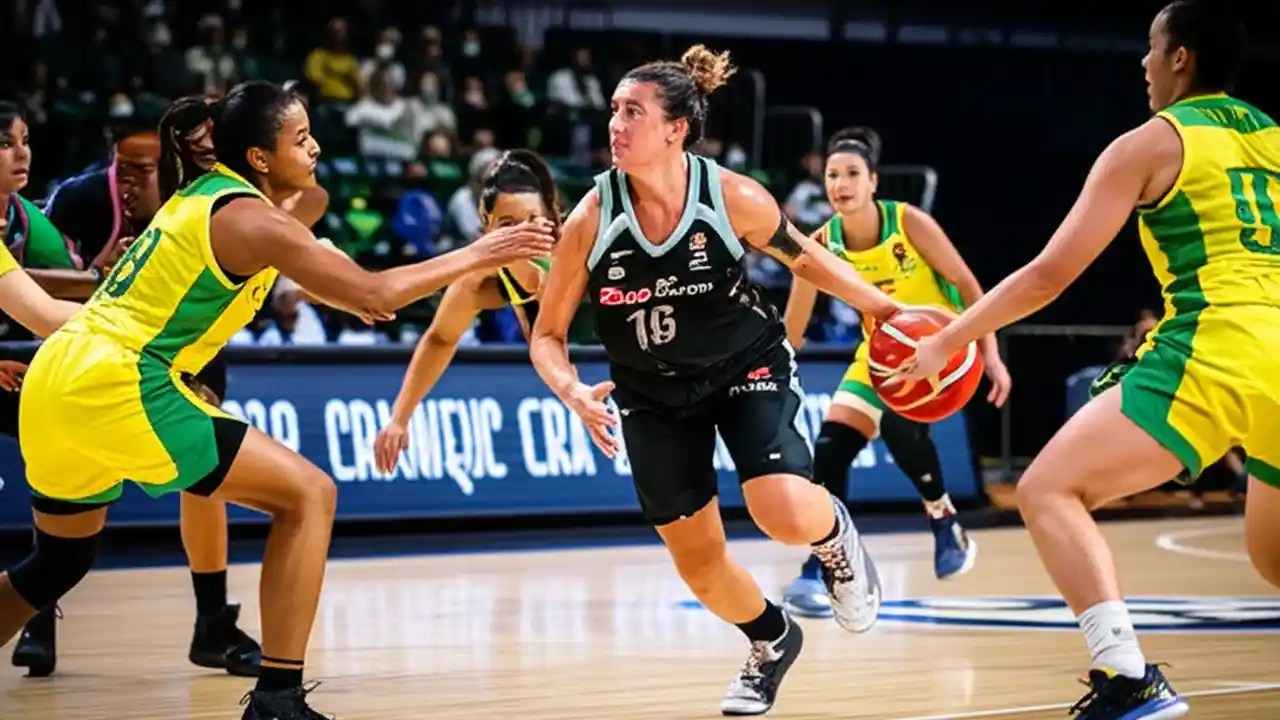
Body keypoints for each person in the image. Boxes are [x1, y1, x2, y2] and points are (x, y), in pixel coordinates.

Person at [0, 79, 555, 719]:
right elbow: (373, 295)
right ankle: (277, 700)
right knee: (309, 496)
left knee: (56, 561)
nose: (316, 145)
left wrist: (358, 285)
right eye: (300, 137)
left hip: (54, 376)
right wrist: (478, 253)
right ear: (259, 158)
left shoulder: (214, 200)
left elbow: (345, 268)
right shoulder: (251, 218)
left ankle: (244, 661)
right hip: (118, 377)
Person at [901, 3, 1273, 717]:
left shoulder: (1150, 143)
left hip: (1220, 343)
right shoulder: (1275, 136)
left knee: (1047, 490)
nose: (1142, 62)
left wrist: (951, 337)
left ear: (1180, 58)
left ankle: (1126, 677)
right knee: (1273, 561)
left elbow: (1048, 276)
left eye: (1150, 47)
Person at [530, 45, 904, 716]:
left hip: (745, 366)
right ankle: (770, 641)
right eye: (613, 111)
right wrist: (570, 388)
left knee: (782, 509)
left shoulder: (731, 197)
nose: (615, 124)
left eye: (633, 112)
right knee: (699, 564)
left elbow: (808, 259)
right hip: (650, 392)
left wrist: (879, 308)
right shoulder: (591, 217)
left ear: (676, 129)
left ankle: (836, 540)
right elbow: (548, 335)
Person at [9, 96, 273, 679]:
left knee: (209, 469)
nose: (132, 178)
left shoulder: (211, 197)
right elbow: (36, 293)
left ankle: (210, 620)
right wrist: (107, 284)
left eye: (145, 166)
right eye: (122, 165)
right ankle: (39, 613)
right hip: (70, 349)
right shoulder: (78, 200)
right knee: (60, 448)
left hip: (173, 346)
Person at [779, 126, 1011, 617]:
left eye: (852, 174)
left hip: (945, 348)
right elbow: (793, 329)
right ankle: (827, 559)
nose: (841, 184)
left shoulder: (908, 223)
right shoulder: (822, 244)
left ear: (873, 182)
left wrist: (990, 352)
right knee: (830, 450)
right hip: (882, 356)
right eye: (832, 175)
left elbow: (968, 285)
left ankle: (944, 518)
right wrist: (770, 373)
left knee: (902, 425)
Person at [374, 149, 557, 472]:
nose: (522, 234)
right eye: (507, 224)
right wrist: (398, 419)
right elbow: (440, 340)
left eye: (532, 221)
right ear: (485, 229)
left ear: (551, 218)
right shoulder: (478, 281)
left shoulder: (576, 248)